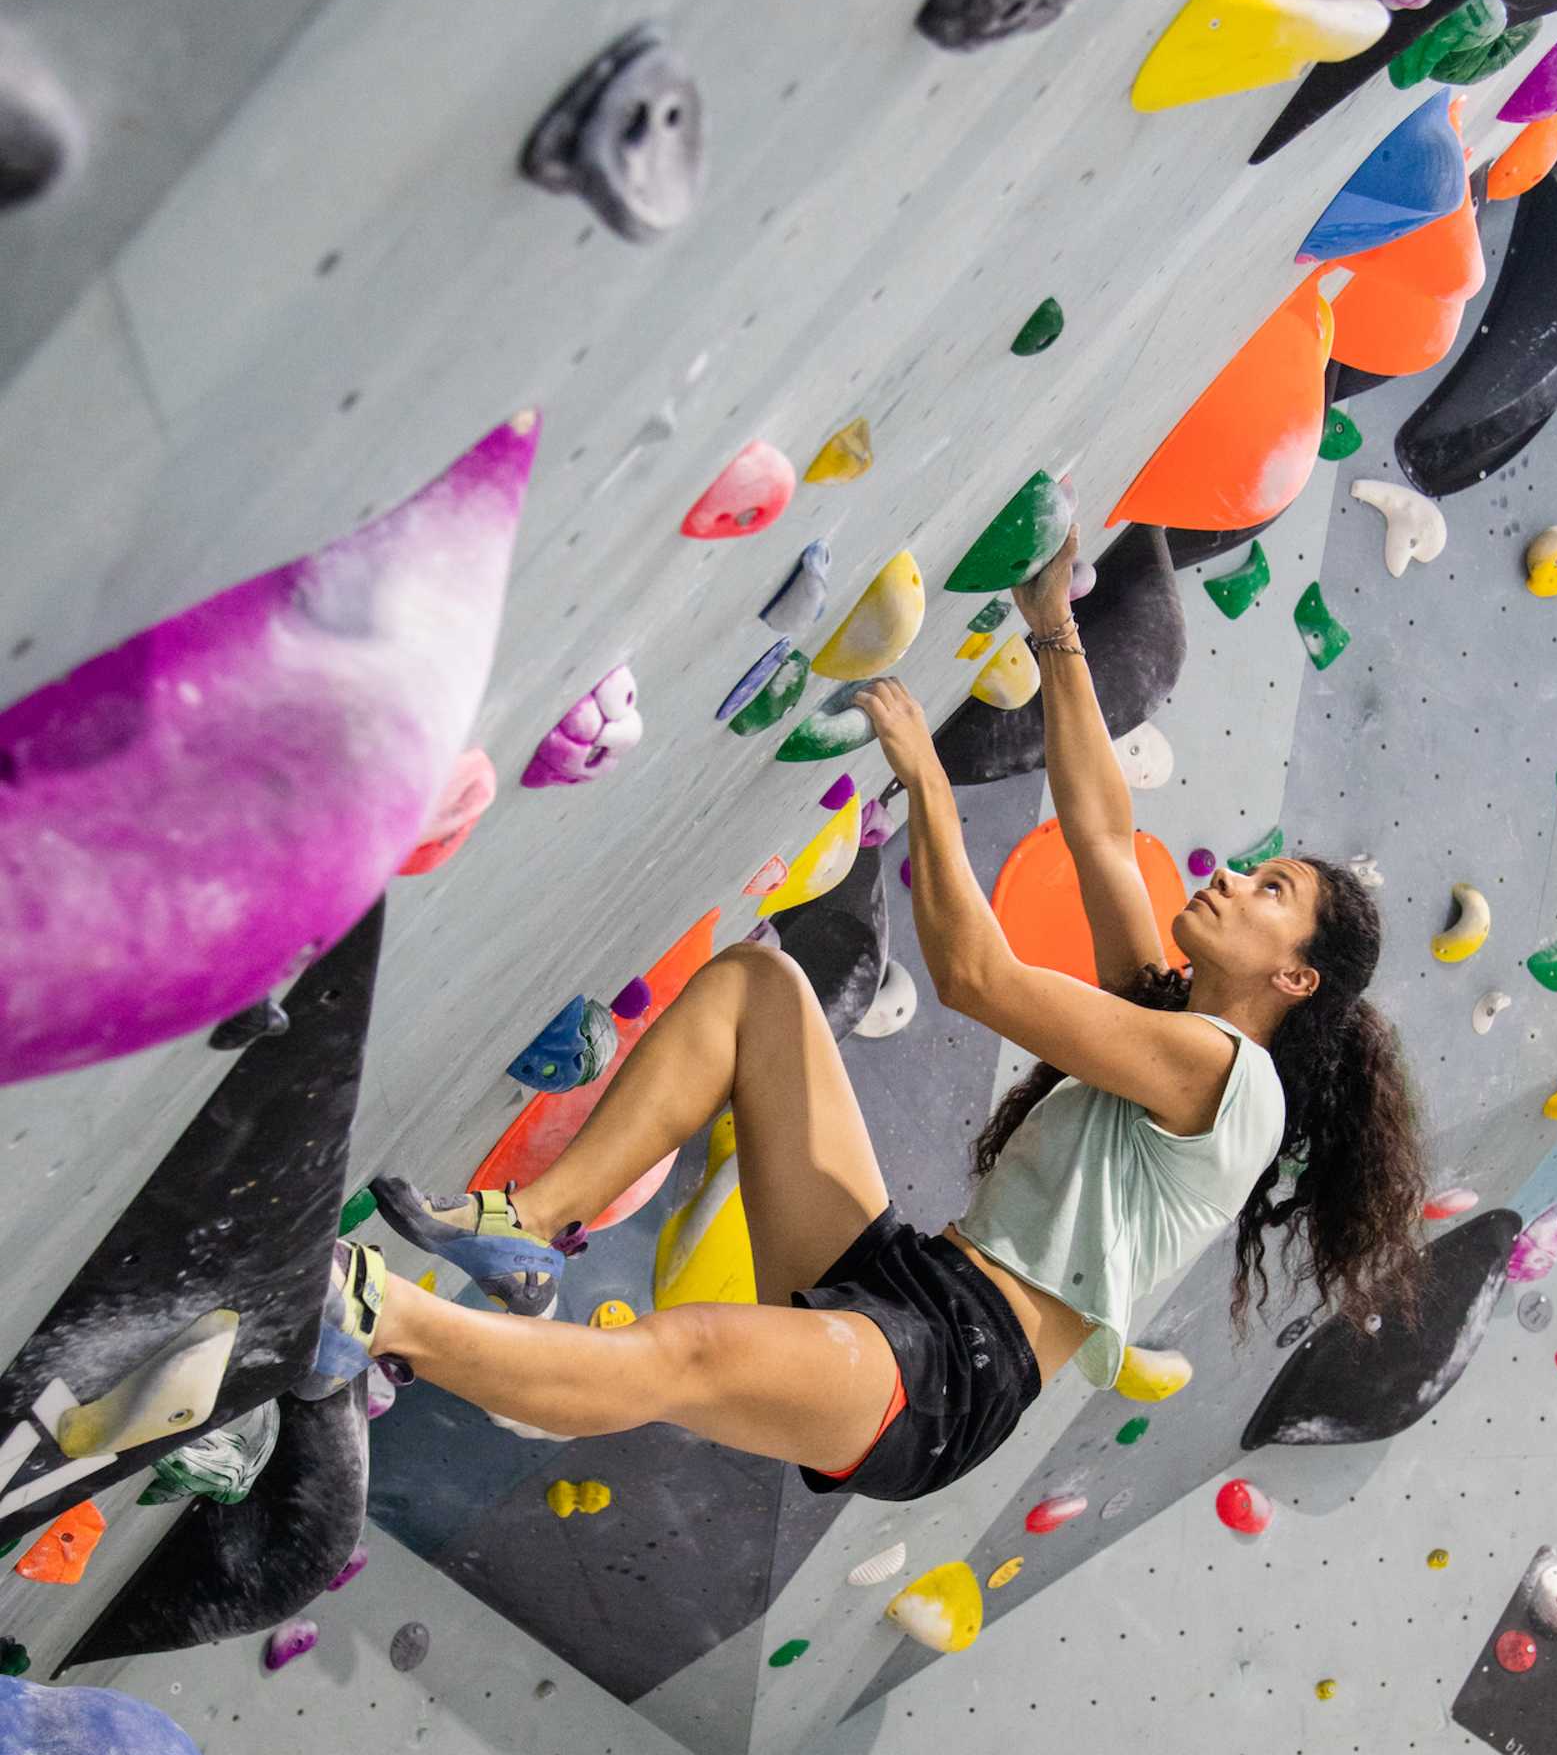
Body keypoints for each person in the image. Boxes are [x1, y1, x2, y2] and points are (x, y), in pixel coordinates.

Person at [312, 529, 1426, 1505]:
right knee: (757, 991)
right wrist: (1050, 627)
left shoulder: (1231, 1080)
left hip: (953, 1373)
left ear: (1294, 981)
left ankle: (369, 1316)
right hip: (919, 1282)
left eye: (1269, 893)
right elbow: (1097, 831)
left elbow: (977, 979)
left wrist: (929, 788)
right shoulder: (1178, 1020)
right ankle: (529, 1225)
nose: (1233, 881)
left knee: (686, 1357)